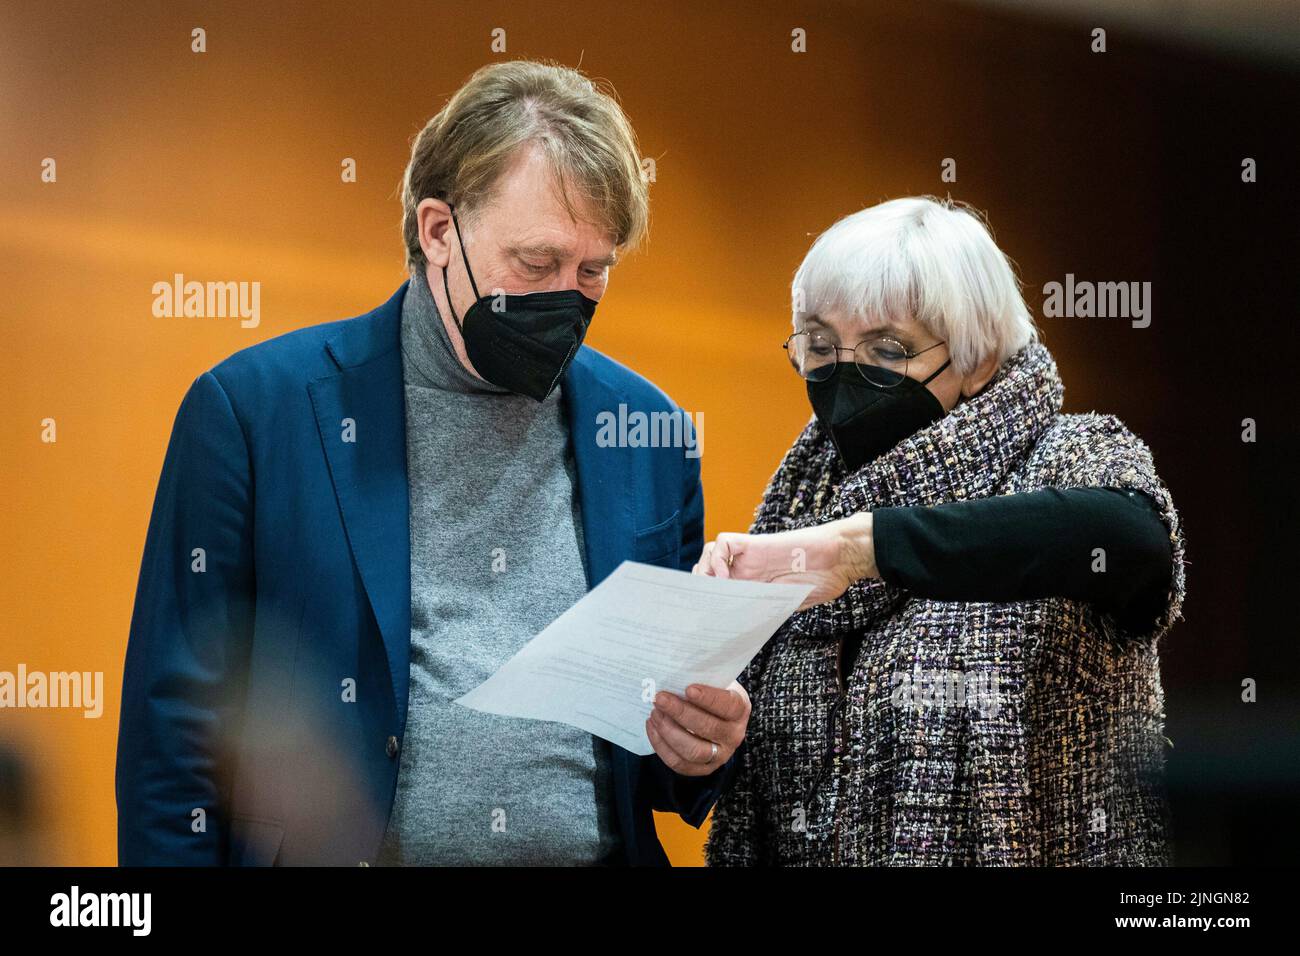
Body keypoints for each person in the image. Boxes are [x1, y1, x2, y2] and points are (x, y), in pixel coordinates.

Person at [115, 60, 749, 866]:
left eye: (594, 272)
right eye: (536, 263)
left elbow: (658, 759)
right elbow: (173, 735)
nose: (568, 298)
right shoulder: (252, 411)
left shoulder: (648, 431)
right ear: (438, 230)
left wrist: (701, 745)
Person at [698, 196, 1185, 866]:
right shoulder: (802, 503)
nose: (843, 376)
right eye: (819, 344)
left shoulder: (1072, 457)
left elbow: (1135, 545)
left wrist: (862, 549)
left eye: (887, 348)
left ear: (977, 357)